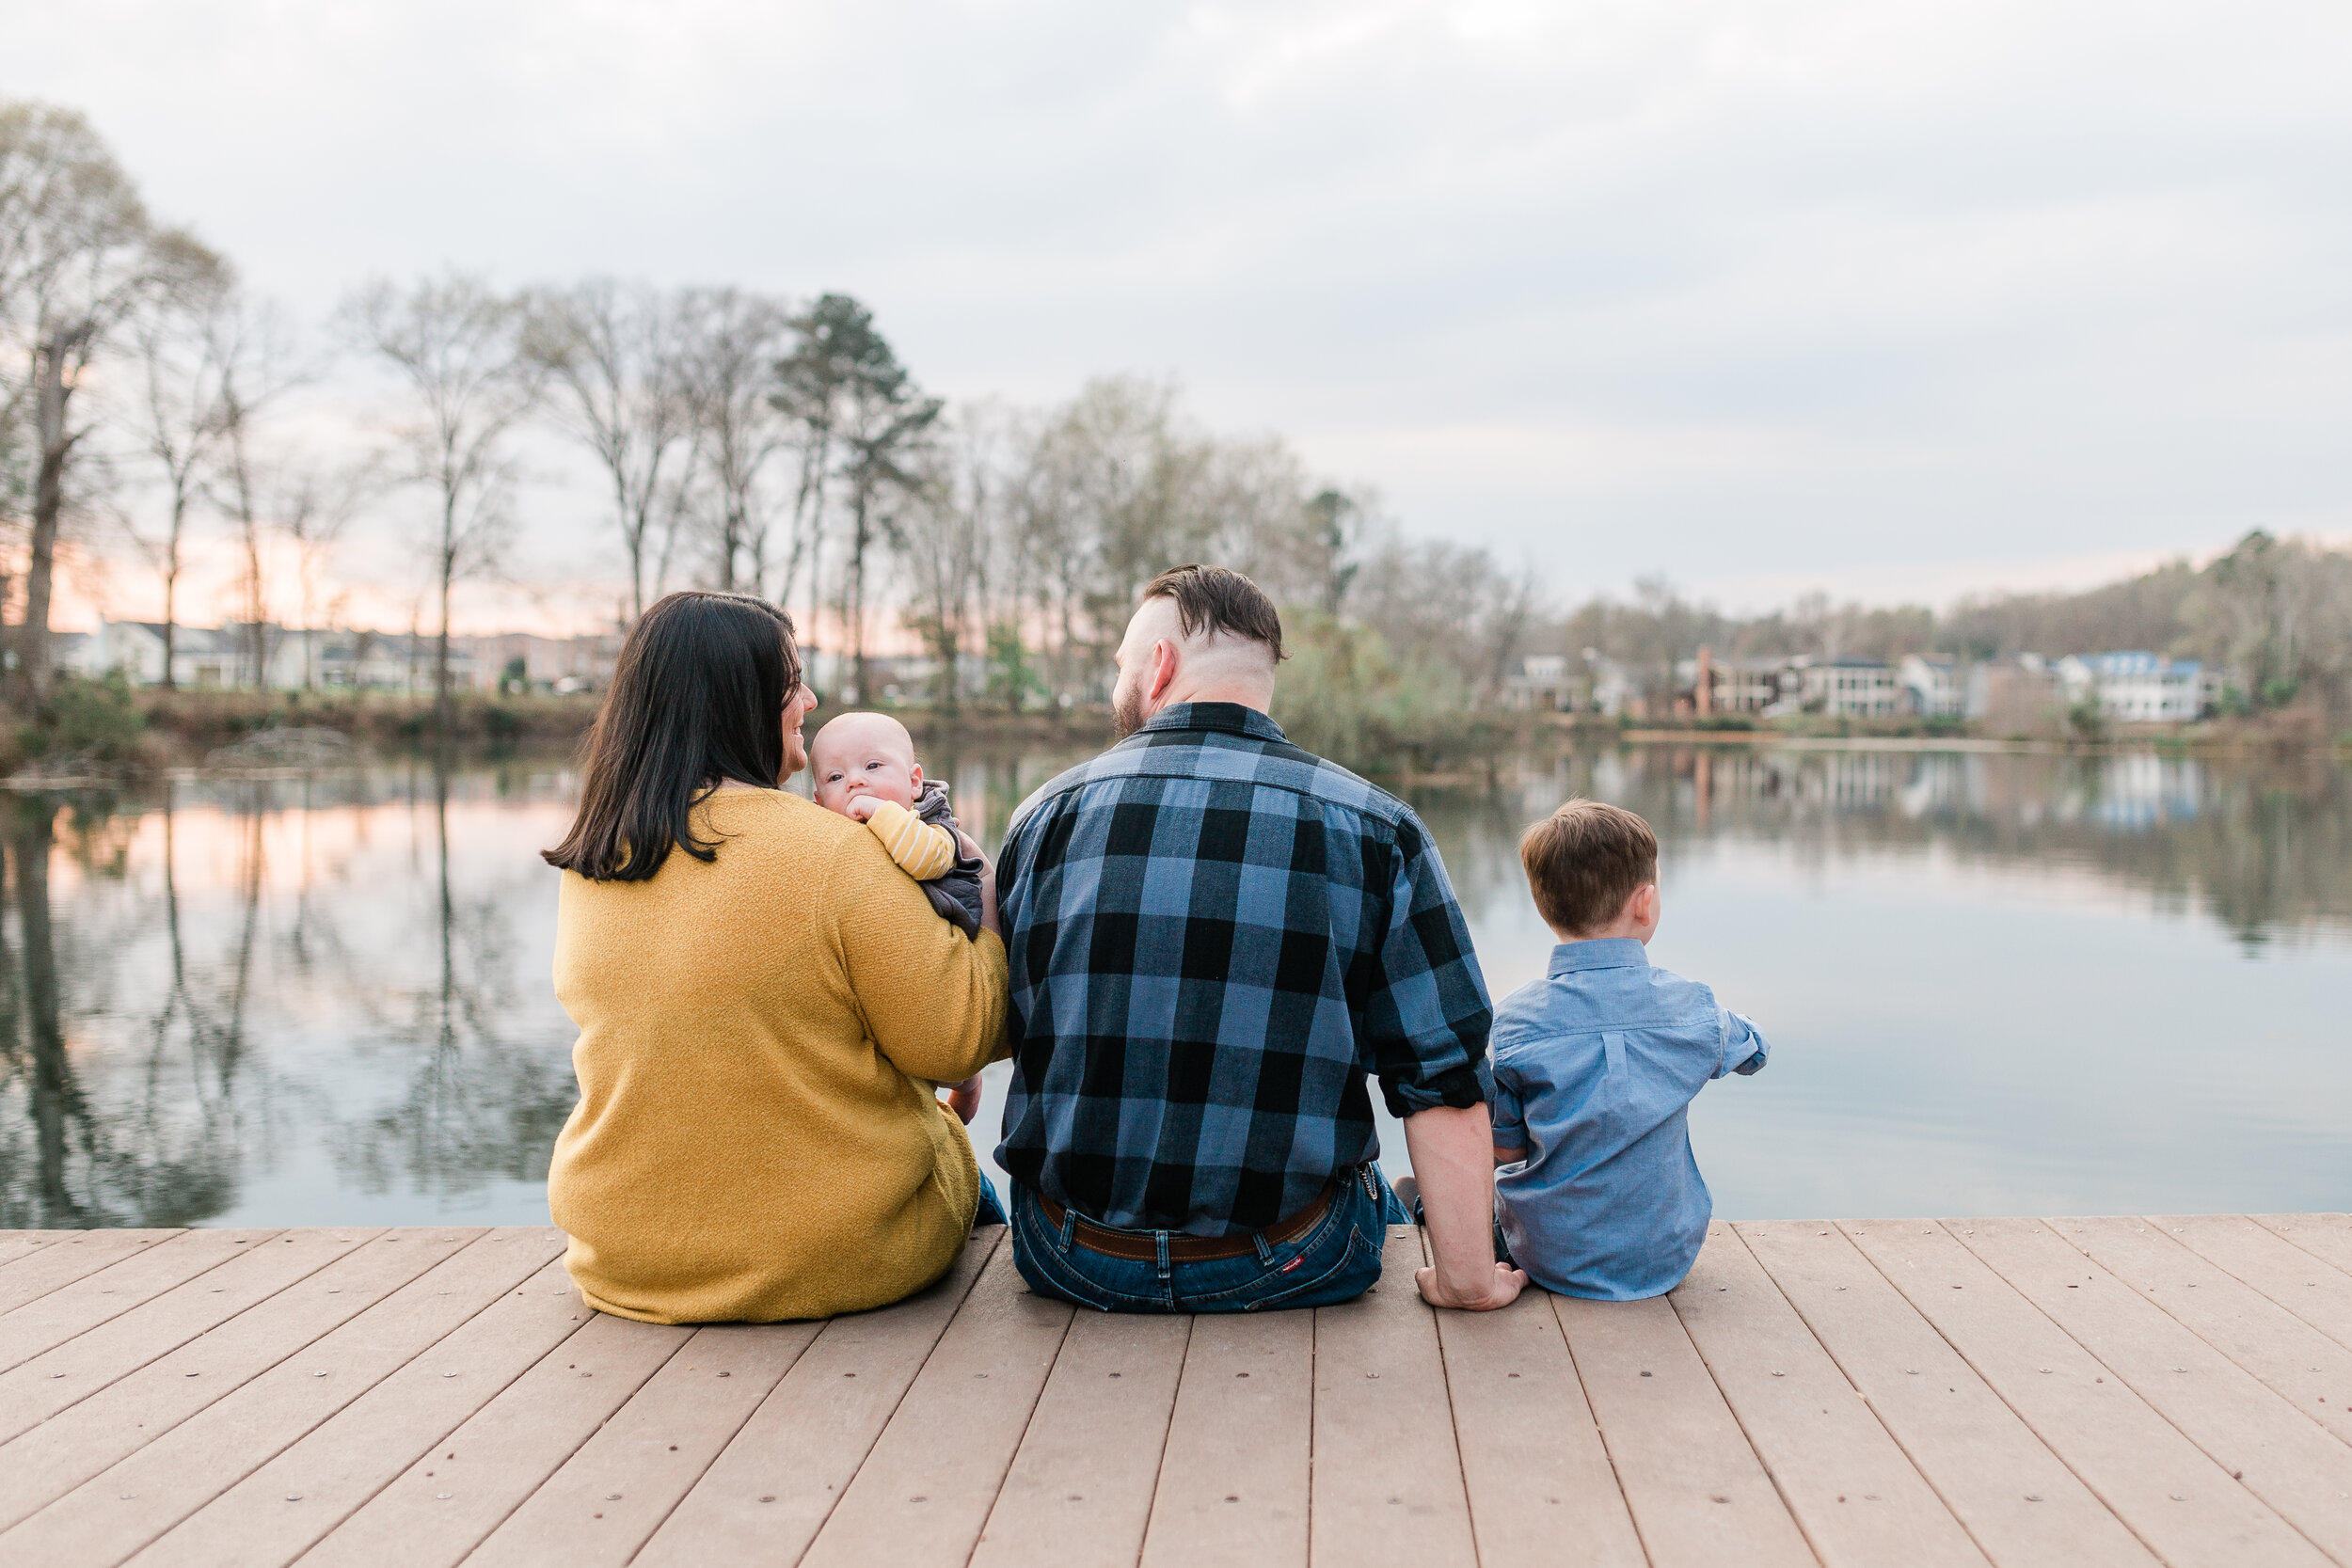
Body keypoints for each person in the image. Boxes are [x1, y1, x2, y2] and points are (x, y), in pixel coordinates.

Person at [993, 563, 1526, 1314]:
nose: (1117, 683)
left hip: (1071, 1256)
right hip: (1288, 1259)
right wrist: (1467, 1280)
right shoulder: (1378, 828)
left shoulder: (1042, 816)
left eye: (1121, 665)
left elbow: (1005, 1026)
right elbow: (1441, 1073)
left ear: (1160, 665)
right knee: (1380, 1186)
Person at [541, 592, 1009, 1324]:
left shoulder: (598, 857)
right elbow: (957, 1039)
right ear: (743, 700)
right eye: (793, 681)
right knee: (959, 1164)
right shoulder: (840, 852)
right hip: (833, 1252)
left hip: (624, 1256)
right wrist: (984, 888)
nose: (810, 699)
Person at [1479, 798, 1769, 1300]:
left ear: (1545, 907)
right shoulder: (1691, 1009)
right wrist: (1726, 1028)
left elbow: (1507, 1151)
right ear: (1645, 902)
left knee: (1469, 1186)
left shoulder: (1511, 1024)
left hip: (1547, 1256)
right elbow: (1755, 1051)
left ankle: (1426, 1208)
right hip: (1665, 1256)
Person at [809, 709, 991, 1128]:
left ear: (914, 782)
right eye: (836, 777)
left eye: (873, 766)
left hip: (946, 950)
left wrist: (878, 811)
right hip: (888, 969)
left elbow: (924, 860)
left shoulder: (931, 826)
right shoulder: (837, 841)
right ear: (819, 803)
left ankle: (967, 1089)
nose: (855, 782)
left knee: (949, 1057)